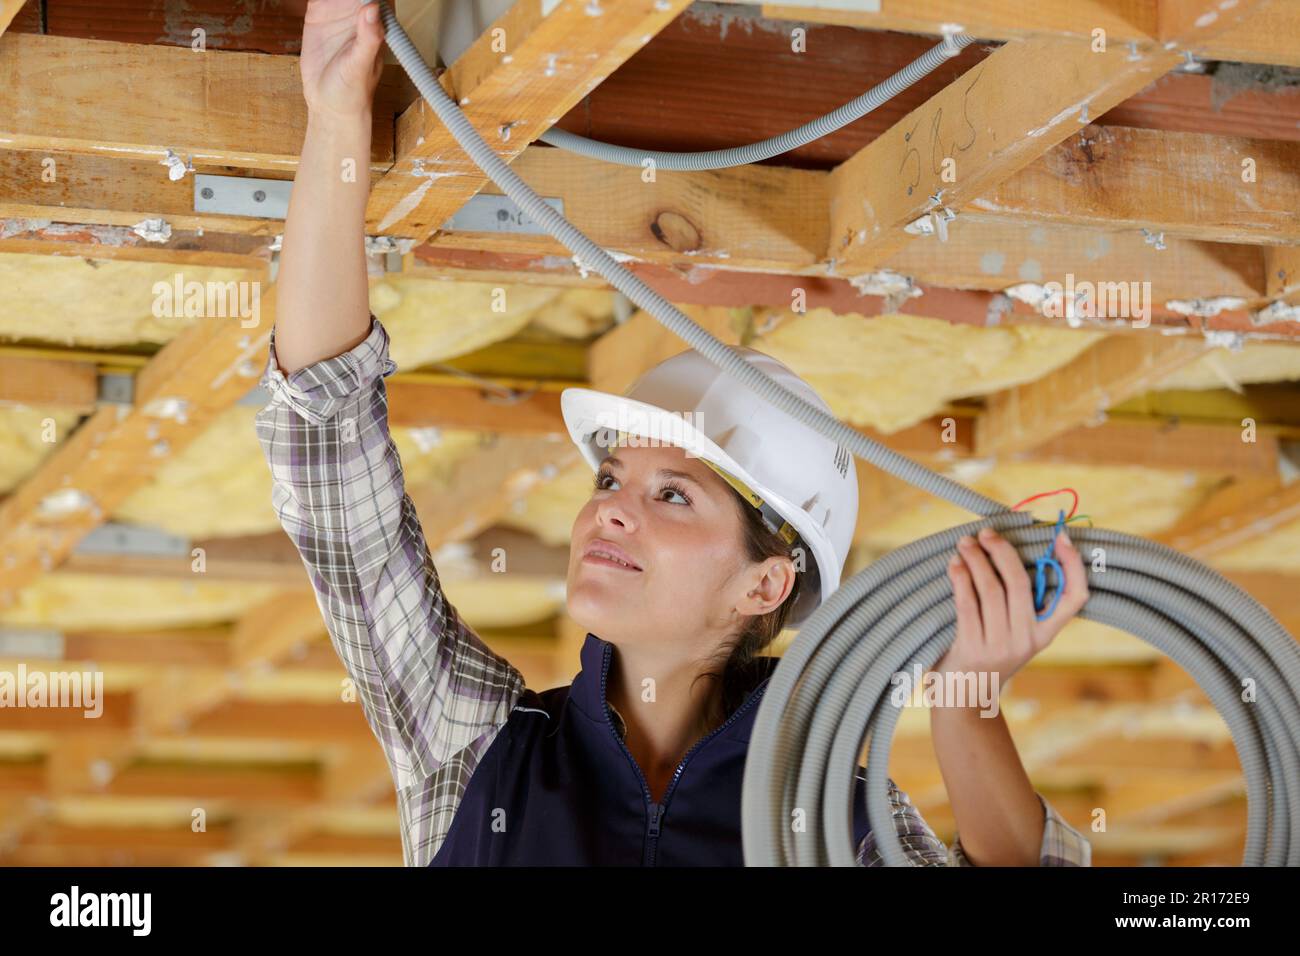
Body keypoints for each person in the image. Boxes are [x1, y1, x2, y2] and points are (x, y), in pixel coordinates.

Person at [255, 0, 1092, 866]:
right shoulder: (478, 752)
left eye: (670, 494)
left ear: (765, 586)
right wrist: (335, 115)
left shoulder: (835, 817)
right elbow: (332, 453)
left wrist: (968, 698)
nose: (609, 513)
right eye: (612, 481)